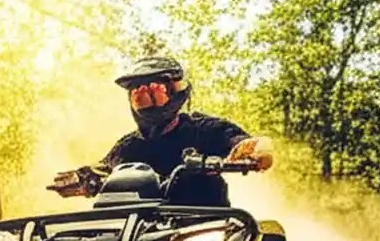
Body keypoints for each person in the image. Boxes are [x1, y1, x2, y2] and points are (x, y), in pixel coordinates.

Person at [50, 55, 274, 203]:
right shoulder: (128, 147)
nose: (147, 101)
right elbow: (103, 169)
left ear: (176, 93)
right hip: (144, 231)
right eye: (140, 96)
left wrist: (255, 150)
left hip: (206, 224)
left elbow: (246, 143)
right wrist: (83, 179)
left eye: (155, 93)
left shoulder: (203, 129)